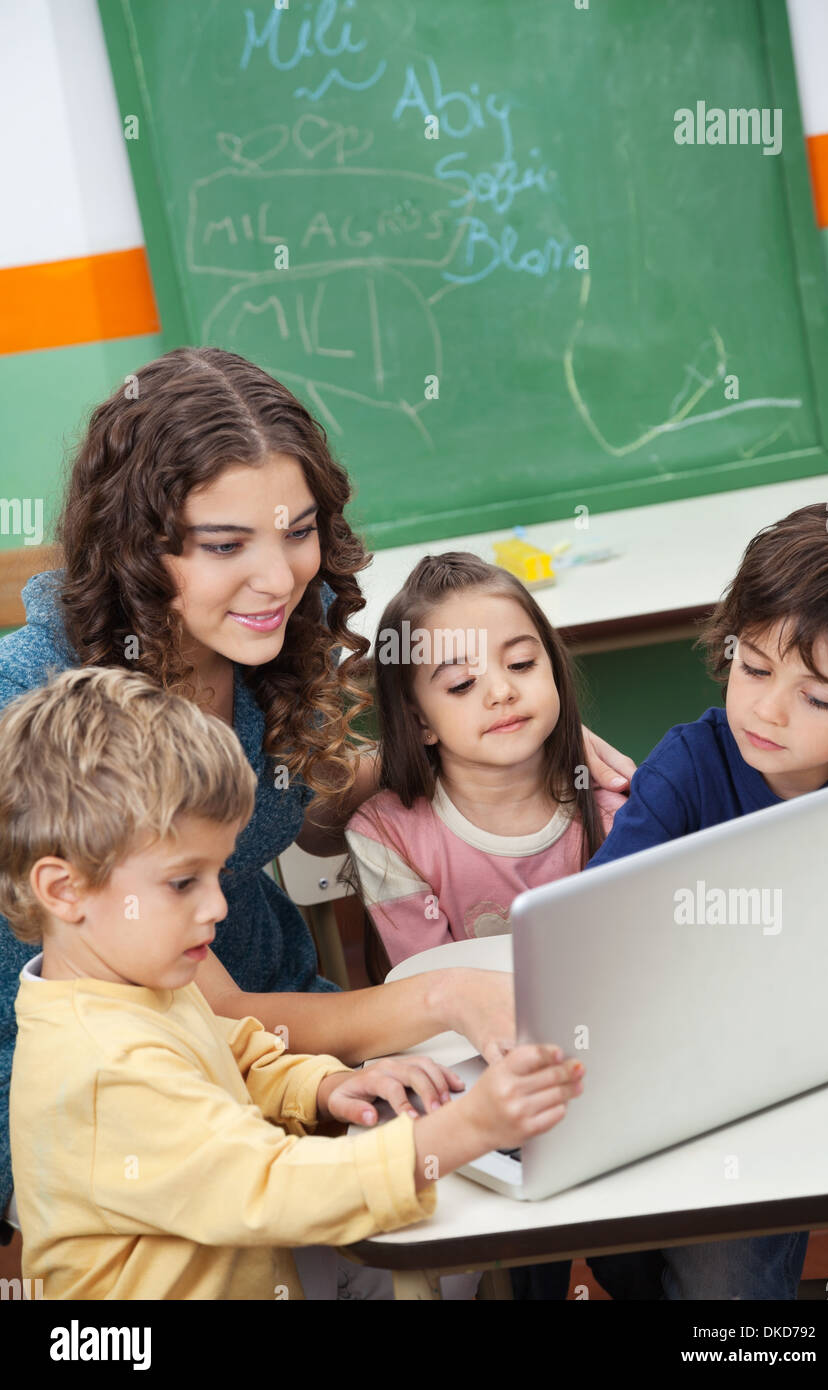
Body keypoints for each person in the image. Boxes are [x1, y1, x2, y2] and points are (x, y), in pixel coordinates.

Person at [0, 347, 634, 1286]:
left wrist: (468, 748)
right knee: (409, 1226)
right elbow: (204, 1018)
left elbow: (279, 805)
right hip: (127, 1096)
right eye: (225, 545)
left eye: (296, 530)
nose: (277, 577)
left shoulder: (270, 625)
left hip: (267, 1042)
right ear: (139, 543)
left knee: (455, 1220)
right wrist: (444, 997)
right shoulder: (44, 705)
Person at [2, 666, 585, 1299]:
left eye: (217, 876)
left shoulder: (130, 982)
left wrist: (324, 1085)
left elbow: (231, 1054)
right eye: (182, 883)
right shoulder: (103, 1067)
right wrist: (462, 1132)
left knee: (446, 1251)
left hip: (255, 1275)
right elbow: (271, 1186)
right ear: (65, 891)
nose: (217, 909)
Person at [582, 502, 828, 1300]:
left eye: (818, 699)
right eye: (754, 667)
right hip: (707, 1085)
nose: (769, 710)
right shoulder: (688, 769)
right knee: (696, 1276)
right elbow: (599, 928)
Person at [344, 551, 626, 1296]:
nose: (500, 692)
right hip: (468, 1082)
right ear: (418, 721)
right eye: (462, 684)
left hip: (609, 1063)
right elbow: (430, 989)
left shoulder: (614, 804)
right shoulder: (388, 832)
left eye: (522, 663)